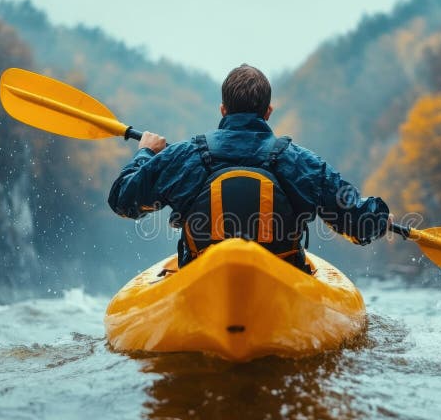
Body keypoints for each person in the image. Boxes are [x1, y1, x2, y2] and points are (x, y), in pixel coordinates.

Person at [108, 64, 390, 271]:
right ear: (268, 112)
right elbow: (358, 222)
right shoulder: (303, 163)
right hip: (281, 281)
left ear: (223, 110)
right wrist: (378, 216)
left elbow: (123, 200)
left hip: (202, 279)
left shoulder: (184, 157)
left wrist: (146, 153)